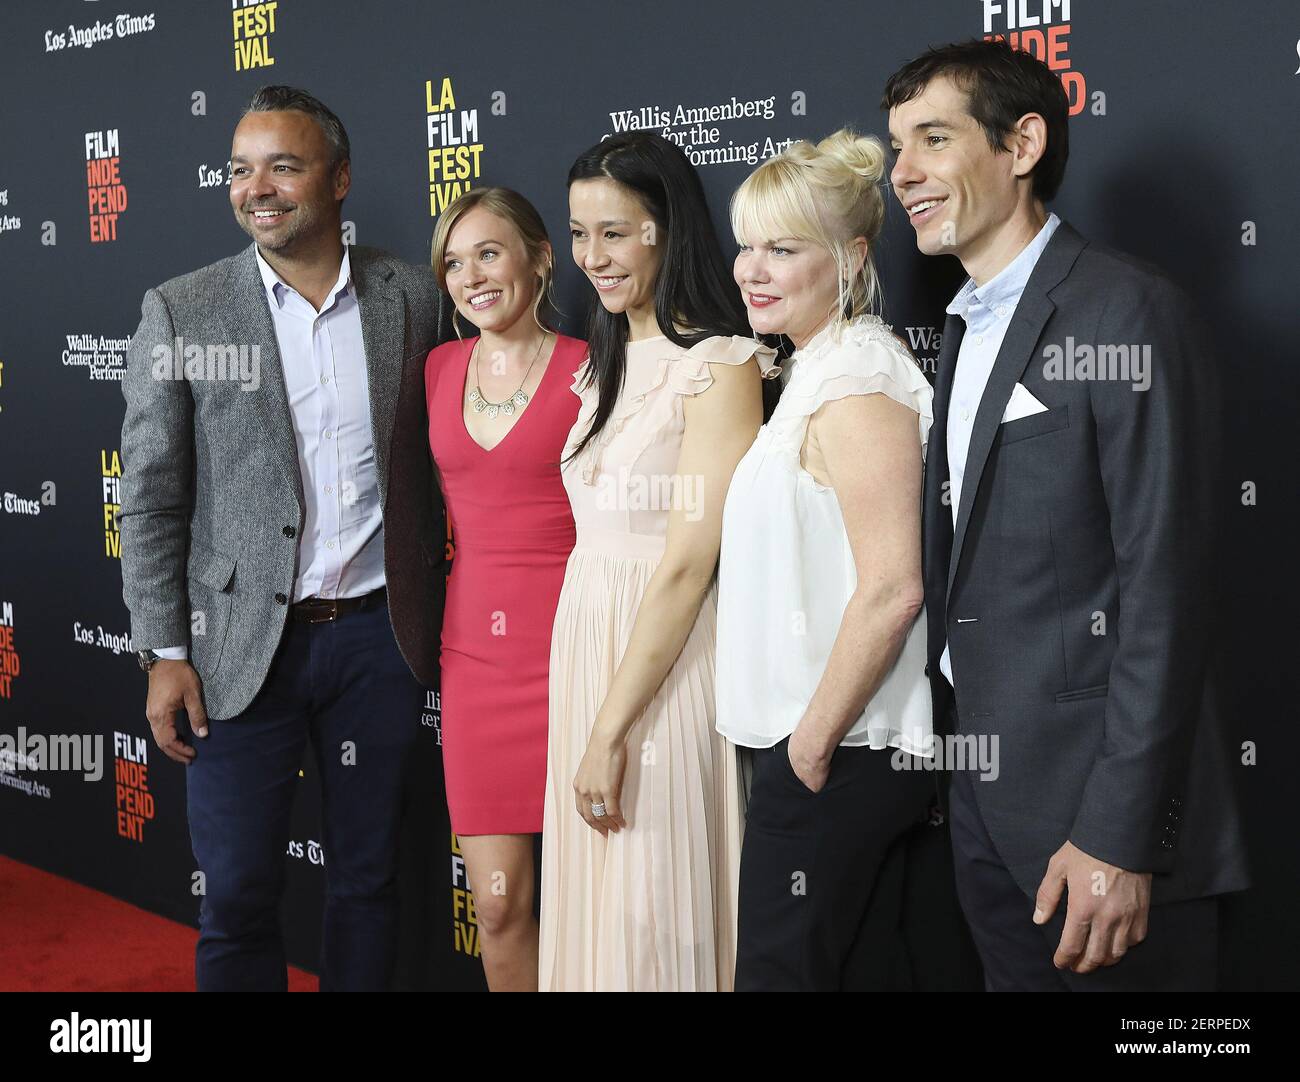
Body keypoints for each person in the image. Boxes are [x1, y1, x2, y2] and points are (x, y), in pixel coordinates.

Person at [883, 39, 1250, 990]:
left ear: (1023, 143)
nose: (904, 174)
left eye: (932, 138)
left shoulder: (1126, 313)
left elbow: (1163, 591)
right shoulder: (965, 330)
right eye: (896, 148)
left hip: (1104, 831)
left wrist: (1120, 836)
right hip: (988, 813)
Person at [119, 85, 449, 992]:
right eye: (240, 167)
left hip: (379, 643)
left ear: (339, 179)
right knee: (236, 895)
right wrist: (164, 651)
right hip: (236, 652)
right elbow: (148, 499)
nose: (256, 187)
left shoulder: (410, 297)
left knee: (369, 883)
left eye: (284, 166)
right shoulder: (184, 311)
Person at [538, 131, 776, 991]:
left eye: (615, 232)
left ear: (667, 230)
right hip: (587, 645)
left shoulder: (721, 365)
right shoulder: (600, 363)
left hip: (666, 666)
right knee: (599, 903)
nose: (591, 257)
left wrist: (610, 730)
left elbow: (685, 564)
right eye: (578, 233)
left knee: (653, 909)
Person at [717, 129, 937, 991]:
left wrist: (807, 750)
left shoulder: (857, 378)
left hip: (838, 751)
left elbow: (893, 588)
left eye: (782, 248)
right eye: (747, 245)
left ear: (848, 260)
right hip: (828, 748)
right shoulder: (815, 371)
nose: (751, 269)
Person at [424, 188, 586, 991]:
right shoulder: (436, 368)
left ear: (540, 256)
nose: (471, 276)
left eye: (489, 252)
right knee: (497, 905)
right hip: (476, 667)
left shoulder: (592, 369)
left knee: (597, 899)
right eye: (454, 262)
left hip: (576, 654)